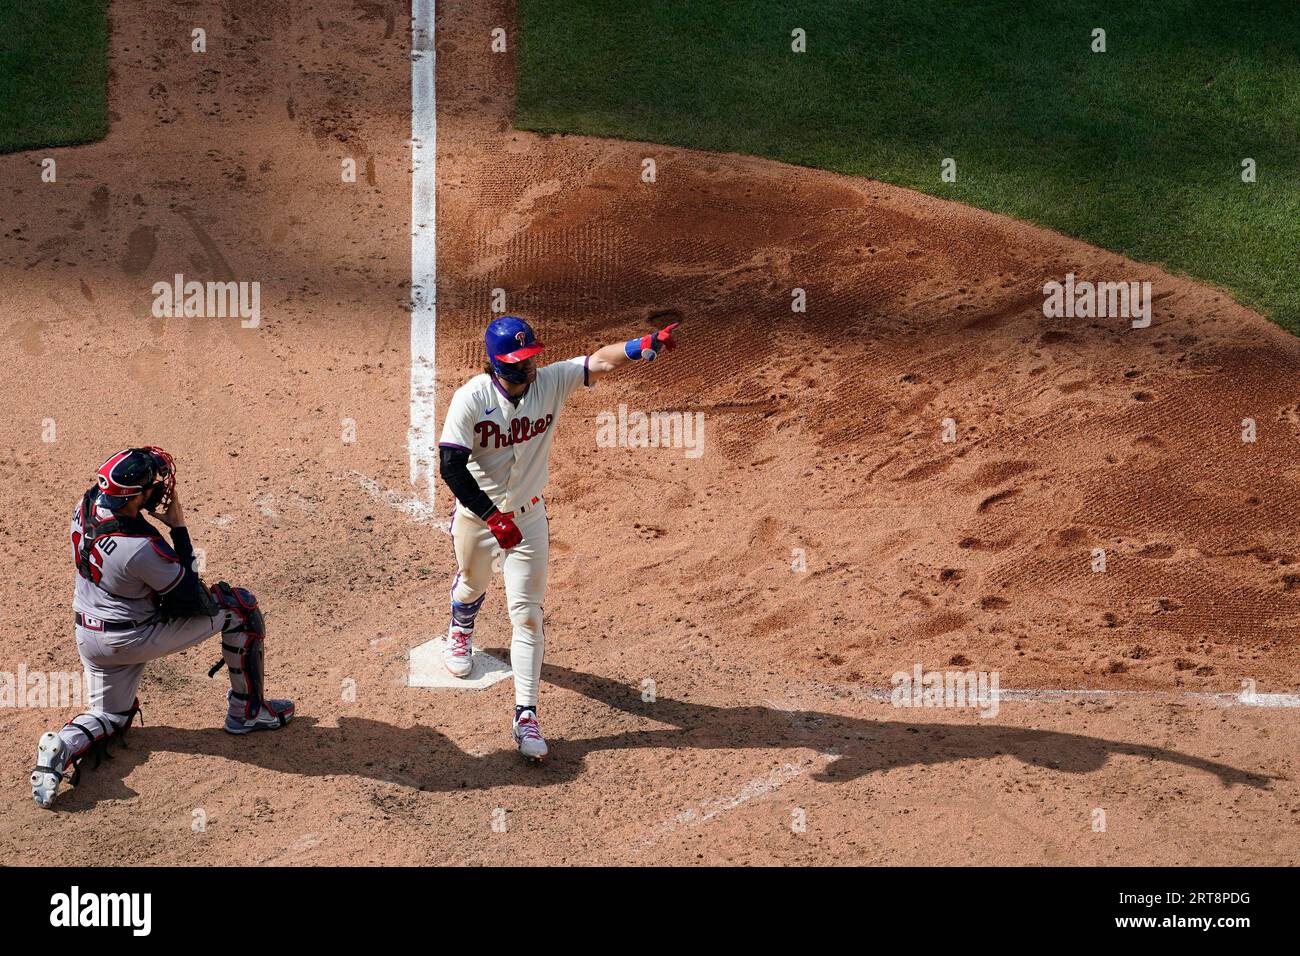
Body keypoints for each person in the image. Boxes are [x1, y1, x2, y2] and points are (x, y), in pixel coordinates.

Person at [438, 315, 680, 760]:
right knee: (473, 583)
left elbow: (598, 362)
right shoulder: (470, 399)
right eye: (519, 362)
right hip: (477, 518)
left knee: (527, 614)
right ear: (497, 364)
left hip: (528, 521)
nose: (529, 368)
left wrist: (640, 345)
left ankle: (525, 715)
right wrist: (492, 517)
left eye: (531, 359)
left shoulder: (549, 383)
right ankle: (462, 624)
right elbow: (451, 467)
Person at [30, 447, 294, 808]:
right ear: (133, 497)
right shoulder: (139, 548)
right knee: (239, 608)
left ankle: (61, 748)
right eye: (151, 484)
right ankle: (247, 713)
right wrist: (179, 526)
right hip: (131, 636)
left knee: (110, 715)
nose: (159, 486)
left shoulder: (88, 502)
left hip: (90, 636)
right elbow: (189, 597)